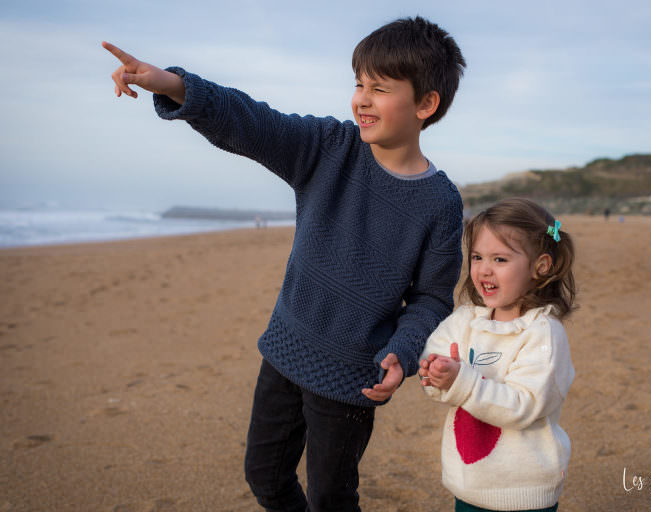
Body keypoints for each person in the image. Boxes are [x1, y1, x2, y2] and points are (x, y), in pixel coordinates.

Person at [103, 16, 466, 512]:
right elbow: (252, 122)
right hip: (285, 348)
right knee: (265, 477)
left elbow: (430, 298)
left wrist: (402, 353)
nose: (361, 98)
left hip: (353, 375)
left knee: (331, 498)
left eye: (379, 88)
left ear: (425, 104)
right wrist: (172, 84)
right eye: (358, 83)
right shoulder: (327, 148)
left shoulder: (440, 202)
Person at [419, 198, 576, 512]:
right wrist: (436, 374)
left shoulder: (542, 333)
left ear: (540, 266)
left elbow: (523, 405)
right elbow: (436, 365)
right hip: (468, 483)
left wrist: (461, 380)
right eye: (477, 257)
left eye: (500, 259)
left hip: (523, 490)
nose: (484, 269)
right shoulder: (466, 320)